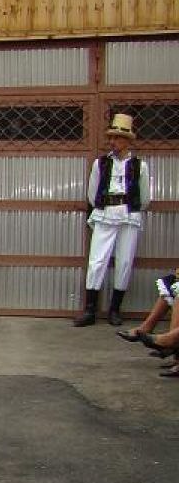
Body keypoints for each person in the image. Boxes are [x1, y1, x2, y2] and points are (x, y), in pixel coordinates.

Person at [74, 114, 152, 327]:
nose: (113, 142)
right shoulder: (101, 163)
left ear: (127, 141)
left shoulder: (140, 166)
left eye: (117, 138)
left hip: (129, 215)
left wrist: (131, 207)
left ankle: (115, 310)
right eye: (112, 138)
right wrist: (104, 205)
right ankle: (90, 310)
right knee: (97, 260)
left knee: (124, 261)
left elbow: (145, 198)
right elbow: (92, 193)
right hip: (105, 214)